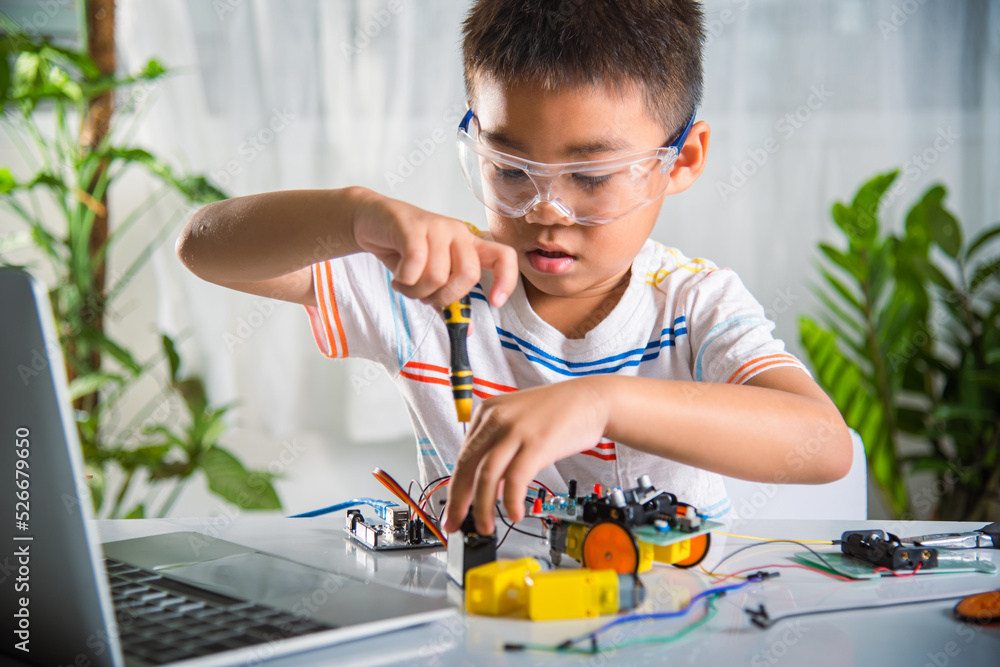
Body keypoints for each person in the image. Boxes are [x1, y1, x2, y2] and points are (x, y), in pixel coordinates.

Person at [177, 0, 852, 537]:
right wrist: (354, 213)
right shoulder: (433, 281)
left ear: (683, 160)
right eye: (511, 170)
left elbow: (823, 444)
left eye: (591, 176)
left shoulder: (692, 303)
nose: (547, 211)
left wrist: (601, 402)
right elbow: (202, 247)